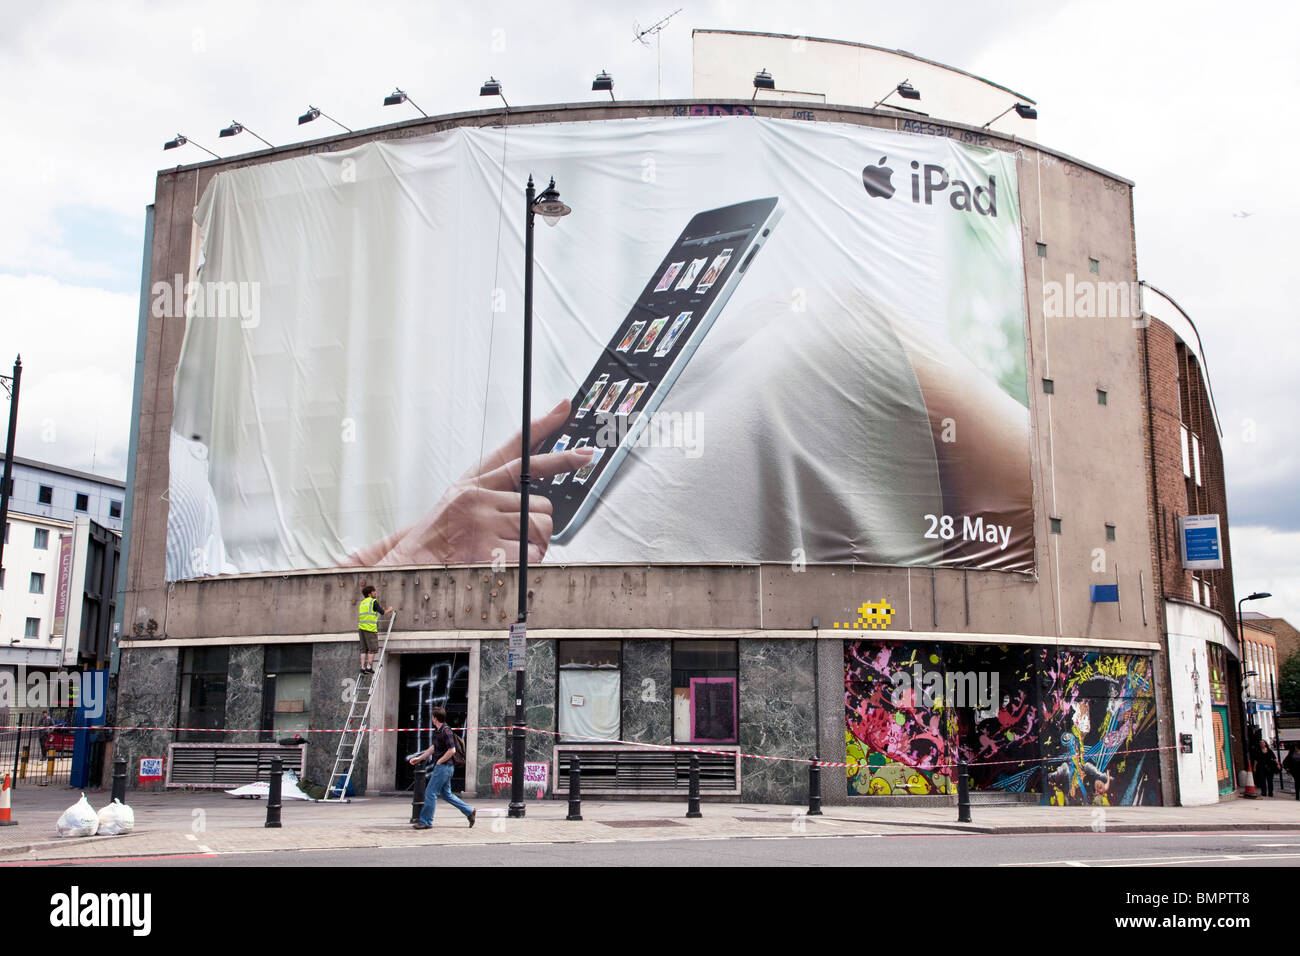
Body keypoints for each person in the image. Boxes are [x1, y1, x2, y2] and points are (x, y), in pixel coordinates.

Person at [408, 706, 475, 829]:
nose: (431, 718)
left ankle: (426, 822)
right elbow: (433, 748)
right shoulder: (438, 731)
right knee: (446, 794)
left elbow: (452, 750)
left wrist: (439, 761)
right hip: (444, 768)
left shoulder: (446, 731)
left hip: (444, 767)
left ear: (435, 718)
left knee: (430, 793)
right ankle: (469, 811)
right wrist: (420, 758)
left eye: (432, 716)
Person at [356, 585, 391, 675]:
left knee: (363, 649)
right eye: (374, 591)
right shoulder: (373, 601)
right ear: (370, 593)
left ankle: (362, 667)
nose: (375, 593)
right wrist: (390, 610)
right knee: (373, 648)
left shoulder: (363, 603)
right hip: (370, 628)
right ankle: (369, 667)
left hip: (361, 628)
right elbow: (382, 612)